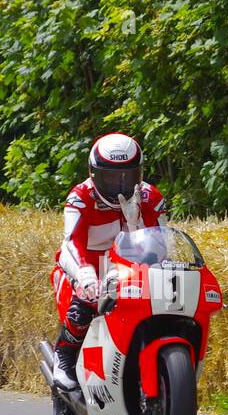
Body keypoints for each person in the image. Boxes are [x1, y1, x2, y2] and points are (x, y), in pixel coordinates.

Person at [50, 132, 168, 389]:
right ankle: (64, 356)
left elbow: (159, 249)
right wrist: (85, 274)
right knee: (88, 296)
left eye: (127, 176)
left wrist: (135, 222)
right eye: (111, 177)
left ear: (140, 173)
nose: (119, 185)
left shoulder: (151, 198)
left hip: (128, 269)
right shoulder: (80, 197)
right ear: (94, 174)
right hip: (86, 268)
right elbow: (71, 243)